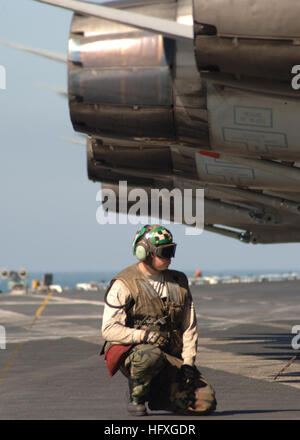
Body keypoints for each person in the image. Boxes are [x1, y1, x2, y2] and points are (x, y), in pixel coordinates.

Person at [101, 224, 216, 416]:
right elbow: (109, 329)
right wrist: (144, 336)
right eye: (164, 252)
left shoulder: (178, 282)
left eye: (172, 251)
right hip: (136, 353)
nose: (170, 258)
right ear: (144, 253)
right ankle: (136, 396)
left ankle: (157, 394)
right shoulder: (124, 284)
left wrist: (188, 362)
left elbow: (189, 327)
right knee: (149, 355)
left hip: (170, 355)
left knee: (205, 403)